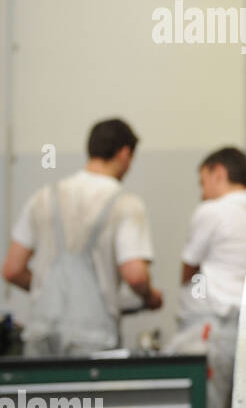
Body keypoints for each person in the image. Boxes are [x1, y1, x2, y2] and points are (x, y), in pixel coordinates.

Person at [3, 118, 161, 355]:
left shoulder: (43, 197)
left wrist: (43, 285)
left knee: (41, 394)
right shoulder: (125, 204)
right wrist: (151, 296)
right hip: (92, 338)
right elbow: (136, 275)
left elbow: (12, 270)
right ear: (125, 154)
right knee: (88, 394)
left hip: (41, 332)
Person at [167, 147, 246, 408]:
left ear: (219, 173)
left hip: (214, 328)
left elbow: (187, 269)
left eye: (203, 181)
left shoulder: (212, 211)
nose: (202, 192)